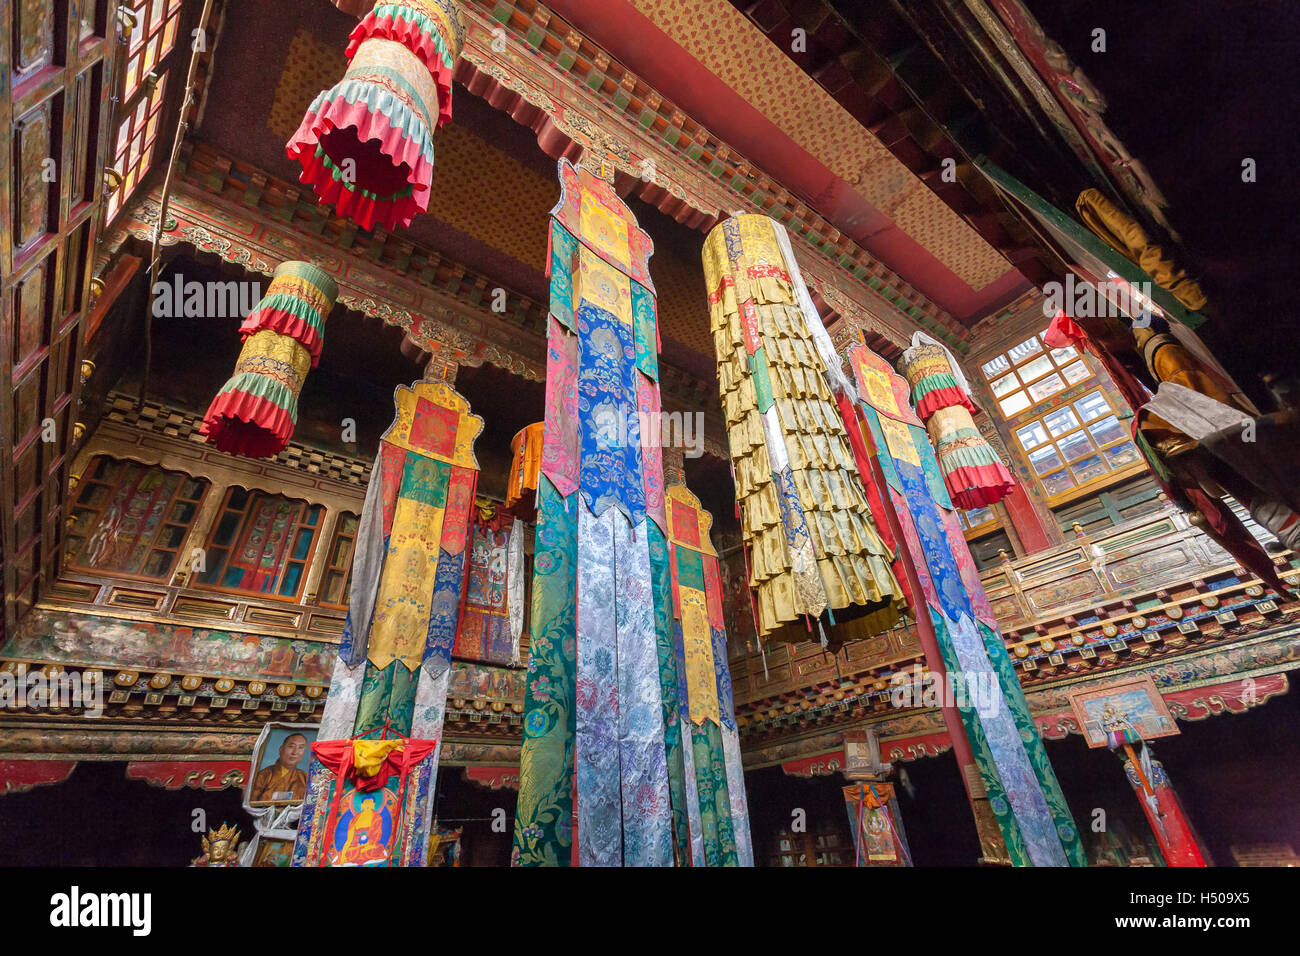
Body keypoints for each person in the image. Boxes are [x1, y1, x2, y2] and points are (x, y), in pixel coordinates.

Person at [250, 733, 308, 803]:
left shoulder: (305, 777)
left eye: (300, 748)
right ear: (281, 749)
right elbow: (253, 803)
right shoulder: (263, 775)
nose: (295, 752)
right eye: (291, 746)